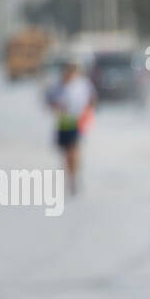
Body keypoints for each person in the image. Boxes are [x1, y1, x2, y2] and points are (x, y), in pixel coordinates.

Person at [45, 58, 97, 196]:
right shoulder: (57, 86)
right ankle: (70, 177)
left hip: (76, 122)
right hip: (63, 123)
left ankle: (74, 177)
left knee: (74, 150)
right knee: (65, 153)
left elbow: (92, 99)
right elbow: (49, 101)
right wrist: (54, 106)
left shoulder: (82, 85)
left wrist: (88, 114)